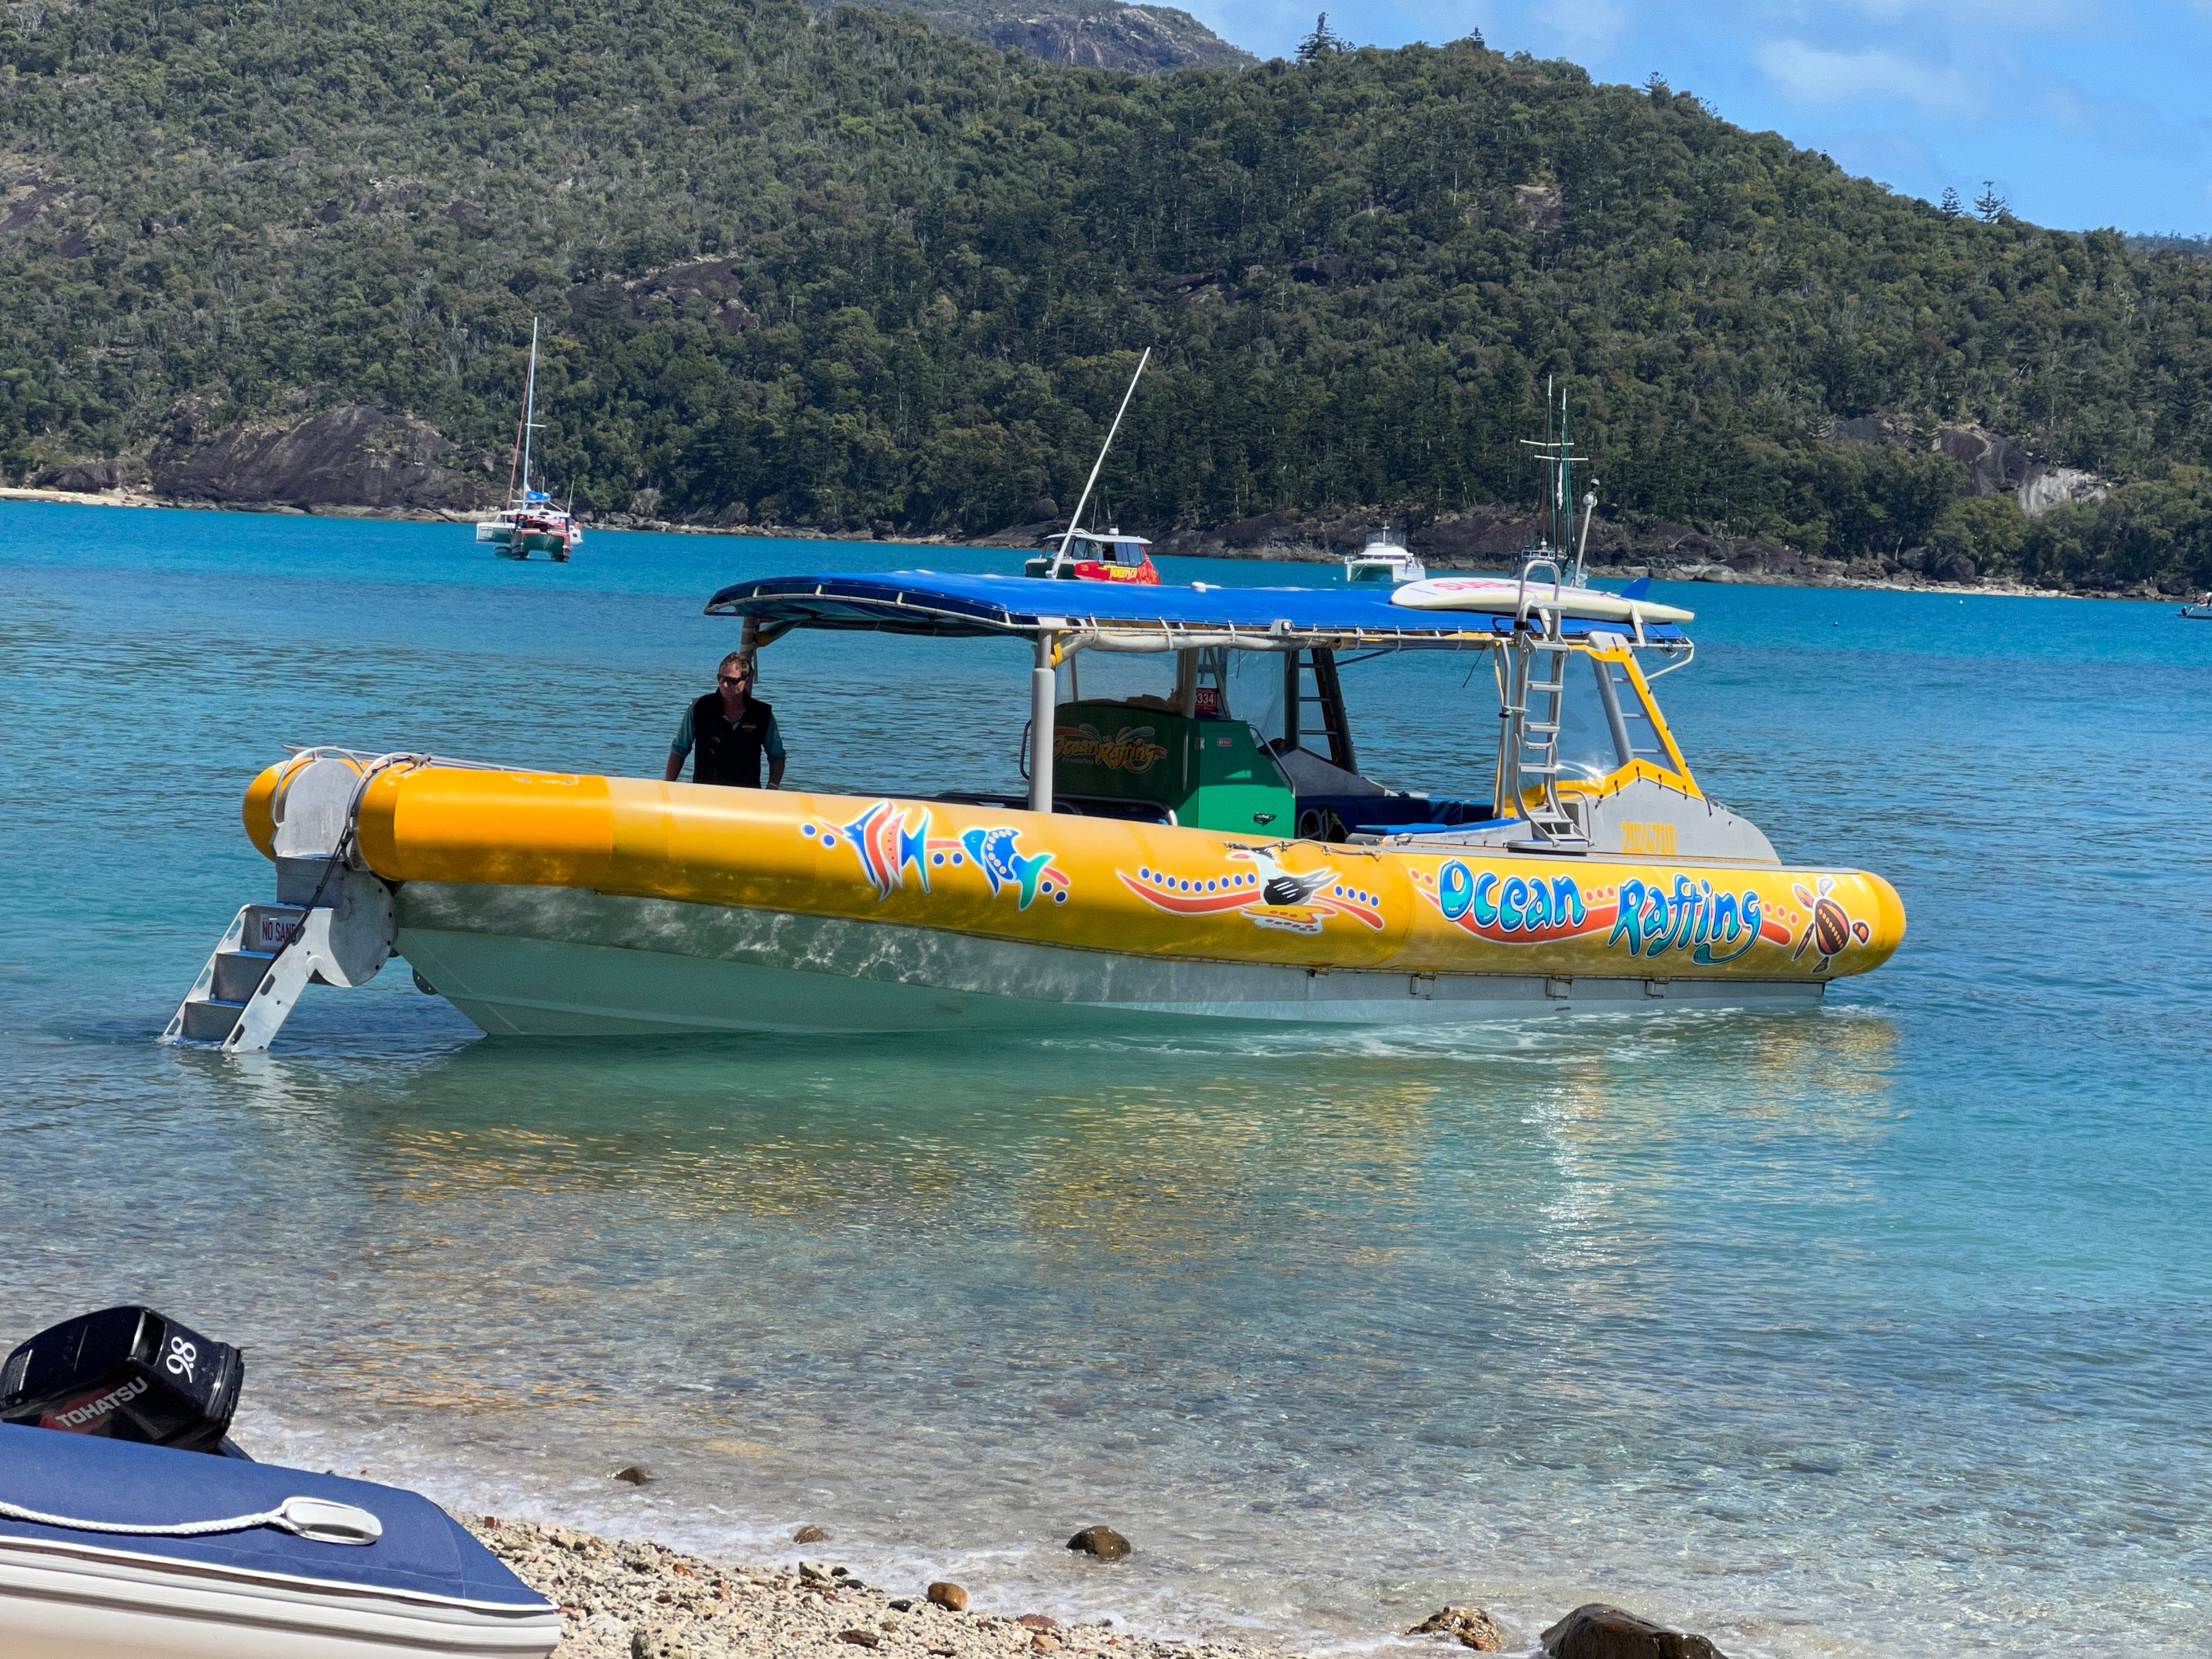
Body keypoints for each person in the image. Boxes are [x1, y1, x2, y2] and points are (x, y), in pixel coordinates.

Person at [665, 651, 786, 787]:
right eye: (721, 679)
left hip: (747, 797)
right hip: (705, 795)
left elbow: (777, 756)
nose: (725, 685)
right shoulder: (698, 708)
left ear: (746, 680)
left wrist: (772, 786)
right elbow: (679, 749)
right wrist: (668, 787)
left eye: (731, 681)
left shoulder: (762, 713)